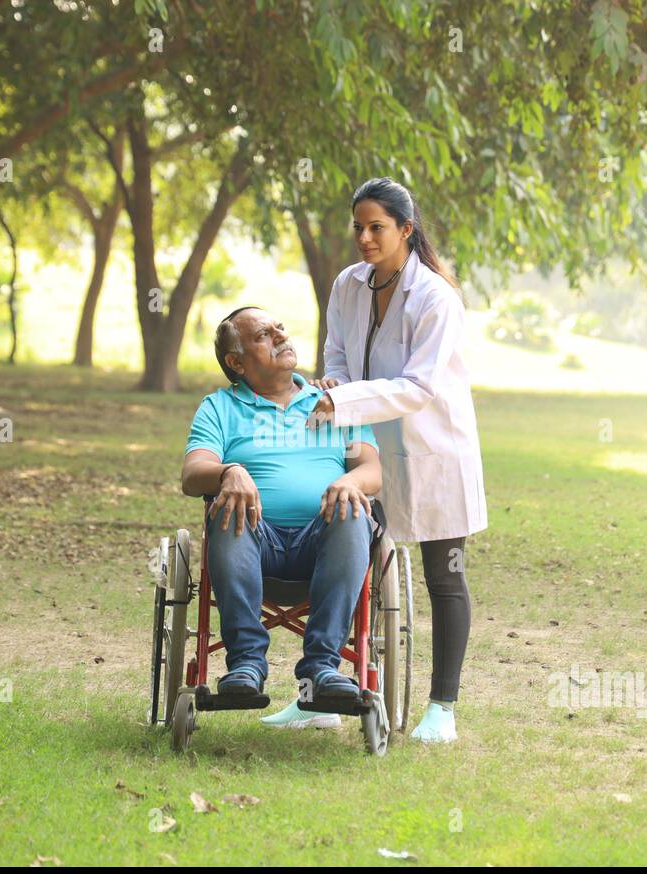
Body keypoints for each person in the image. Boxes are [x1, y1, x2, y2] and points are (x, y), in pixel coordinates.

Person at [278, 176, 488, 744]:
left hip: (432, 449)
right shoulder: (348, 284)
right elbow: (339, 356)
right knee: (350, 563)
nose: (365, 238)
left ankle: (442, 707)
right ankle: (321, 693)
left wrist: (339, 398)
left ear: (406, 231)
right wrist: (333, 386)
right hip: (363, 445)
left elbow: (419, 386)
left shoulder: (436, 297)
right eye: (359, 228)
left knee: (444, 575)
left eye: (377, 228)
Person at [180, 307, 382, 703]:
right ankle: (246, 664)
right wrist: (228, 471)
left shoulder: (334, 401)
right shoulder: (219, 407)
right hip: (252, 541)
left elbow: (371, 468)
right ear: (236, 362)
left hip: (325, 538)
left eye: (280, 328)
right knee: (225, 505)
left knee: (353, 506)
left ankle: (322, 667)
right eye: (263, 335)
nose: (279, 335)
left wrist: (349, 480)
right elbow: (192, 474)